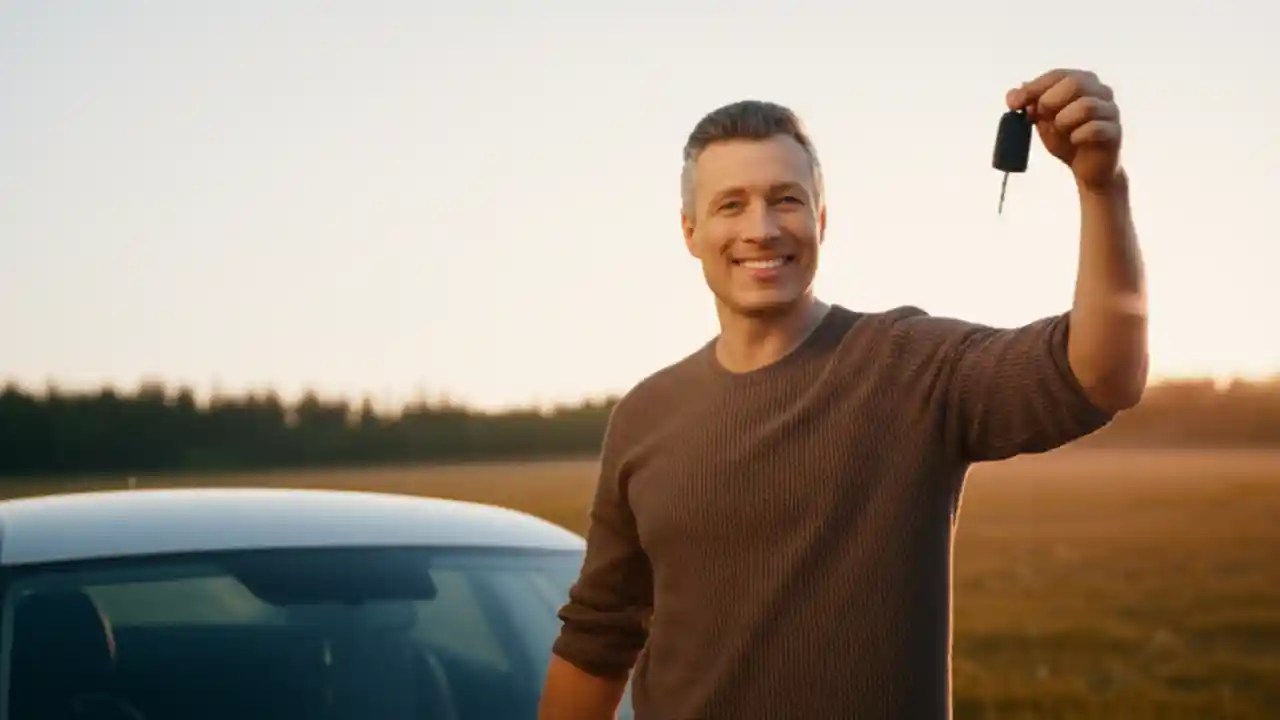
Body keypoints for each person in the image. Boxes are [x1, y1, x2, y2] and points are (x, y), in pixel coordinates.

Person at [538, 67, 1147, 720]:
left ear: (821, 220)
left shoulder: (912, 366)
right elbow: (600, 634)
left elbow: (1102, 375)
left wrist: (1101, 186)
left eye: (786, 200)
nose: (762, 228)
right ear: (690, 231)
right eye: (731, 204)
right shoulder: (645, 415)